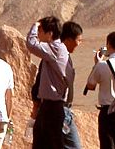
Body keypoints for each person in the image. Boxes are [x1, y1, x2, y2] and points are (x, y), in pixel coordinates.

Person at [26, 17, 78, 149]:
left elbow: (31, 44)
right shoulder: (56, 50)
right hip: (49, 106)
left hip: (53, 107)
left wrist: (35, 24)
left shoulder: (55, 48)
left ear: (49, 33)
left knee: (52, 143)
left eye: (40, 31)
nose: (38, 34)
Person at [85, 33, 115, 149]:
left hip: (107, 111)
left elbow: (90, 85)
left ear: (108, 44)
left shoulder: (102, 65)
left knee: (107, 144)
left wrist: (97, 64)